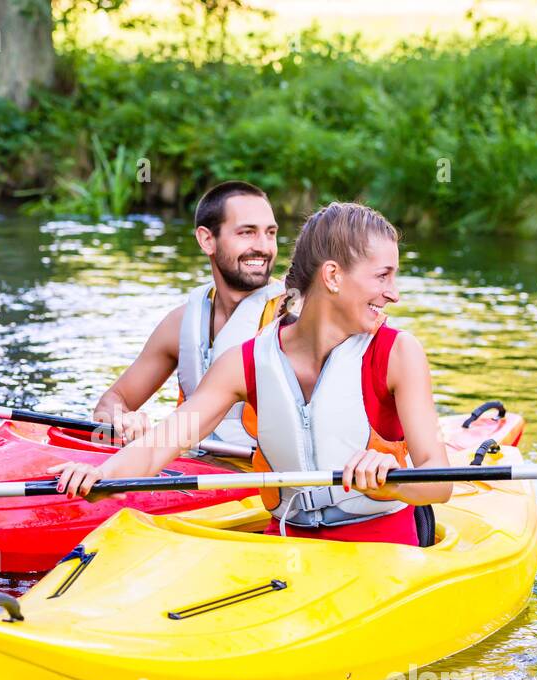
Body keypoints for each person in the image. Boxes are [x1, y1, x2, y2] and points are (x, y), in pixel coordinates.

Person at [53, 202, 451, 547]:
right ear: (332, 276)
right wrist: (101, 476)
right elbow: (164, 442)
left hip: (384, 539)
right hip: (288, 541)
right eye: (383, 276)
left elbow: (441, 480)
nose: (394, 293)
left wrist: (392, 479)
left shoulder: (398, 353)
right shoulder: (246, 362)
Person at [93, 181, 284, 450]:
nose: (263, 247)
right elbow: (110, 401)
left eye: (271, 233)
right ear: (207, 240)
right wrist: (124, 420)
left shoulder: (291, 318)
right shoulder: (182, 324)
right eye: (247, 233)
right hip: (191, 471)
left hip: (259, 481)